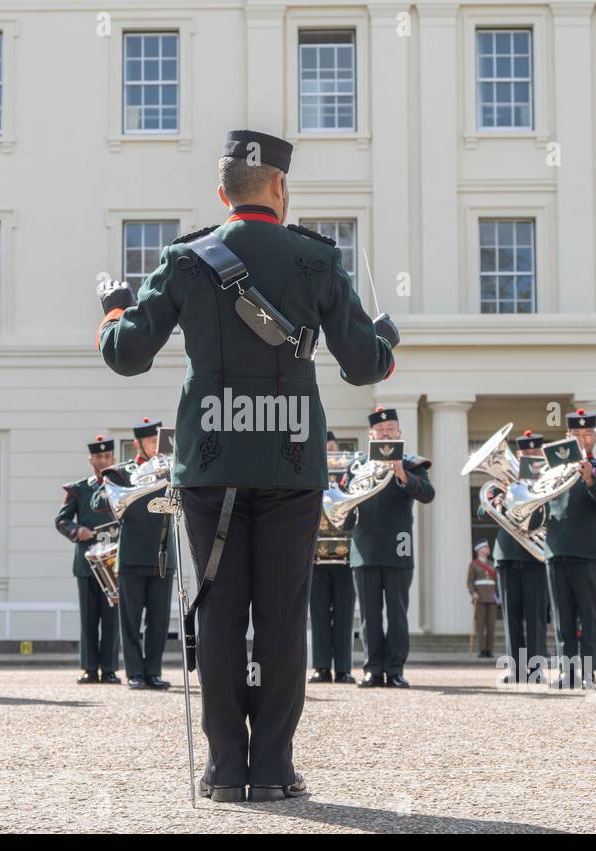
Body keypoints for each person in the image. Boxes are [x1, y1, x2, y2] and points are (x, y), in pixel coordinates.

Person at [96, 128, 397, 801]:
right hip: (291, 463)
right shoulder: (316, 260)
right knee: (285, 616)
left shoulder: (185, 258)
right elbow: (364, 365)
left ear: (222, 193)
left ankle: (226, 767)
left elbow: (125, 353)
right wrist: (384, 337)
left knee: (219, 613)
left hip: (210, 462)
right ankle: (275, 768)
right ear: (280, 189)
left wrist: (113, 309)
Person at [349, 407, 435, 688]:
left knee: (397, 613)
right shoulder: (358, 465)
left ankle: (395, 669)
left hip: (399, 545)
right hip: (365, 546)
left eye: (391, 430)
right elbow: (346, 505)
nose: (386, 433)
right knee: (370, 614)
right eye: (380, 431)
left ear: (399, 433)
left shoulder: (412, 464)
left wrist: (402, 474)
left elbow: (427, 494)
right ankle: (373, 668)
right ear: (371, 434)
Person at [545, 408, 596, 689]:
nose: (582, 439)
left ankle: (591, 673)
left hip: (589, 553)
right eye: (576, 434)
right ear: (568, 436)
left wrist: (591, 478)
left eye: (588, 434)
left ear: (595, 437)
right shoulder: (552, 470)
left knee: (590, 617)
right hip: (556, 551)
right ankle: (567, 673)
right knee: (562, 619)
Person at [104, 417, 175, 691]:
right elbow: (103, 503)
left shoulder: (172, 470)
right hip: (133, 554)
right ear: (138, 444)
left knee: (158, 621)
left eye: (159, 441)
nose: (156, 446)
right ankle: (134, 672)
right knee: (131, 620)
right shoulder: (121, 474)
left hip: (163, 552)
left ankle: (153, 672)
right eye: (150, 441)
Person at [483, 430, 550, 683]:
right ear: (518, 455)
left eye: (536, 453)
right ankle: (515, 669)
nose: (531, 456)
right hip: (508, 554)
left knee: (535, 616)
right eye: (526, 453)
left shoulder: (548, 480)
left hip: (536, 554)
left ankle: (535, 669)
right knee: (511, 616)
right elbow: (483, 510)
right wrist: (503, 496)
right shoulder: (503, 481)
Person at [55, 435, 121, 684]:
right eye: (99, 457)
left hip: (113, 562)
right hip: (87, 563)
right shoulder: (79, 489)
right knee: (89, 619)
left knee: (111, 620)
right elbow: (61, 520)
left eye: (107, 456)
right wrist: (76, 531)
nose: (103, 461)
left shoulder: (121, 486)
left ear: (113, 458)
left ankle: (111, 669)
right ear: (90, 459)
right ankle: (90, 668)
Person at [308, 432, 356, 684]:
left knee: (345, 614)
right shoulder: (309, 470)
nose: (330, 452)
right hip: (316, 555)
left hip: (345, 555)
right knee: (318, 615)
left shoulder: (348, 475)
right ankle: (321, 667)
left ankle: (344, 668)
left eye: (332, 448)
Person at [468, 540, 497, 658]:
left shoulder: (492, 564)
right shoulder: (474, 564)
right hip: (479, 597)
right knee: (480, 626)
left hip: (492, 597)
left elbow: (496, 580)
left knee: (491, 625)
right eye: (486, 547)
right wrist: (473, 592)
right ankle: (481, 650)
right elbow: (470, 581)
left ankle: (489, 650)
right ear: (479, 550)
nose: (488, 549)